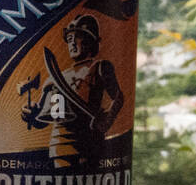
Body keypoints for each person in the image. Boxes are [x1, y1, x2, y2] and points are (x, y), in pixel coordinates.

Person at [22, 13, 124, 168]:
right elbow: (50, 117)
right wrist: (32, 114)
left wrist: (107, 121)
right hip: (60, 143)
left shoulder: (100, 67)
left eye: (78, 37)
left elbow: (118, 97)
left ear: (90, 41)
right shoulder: (56, 78)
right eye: (69, 39)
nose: (72, 43)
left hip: (89, 141)